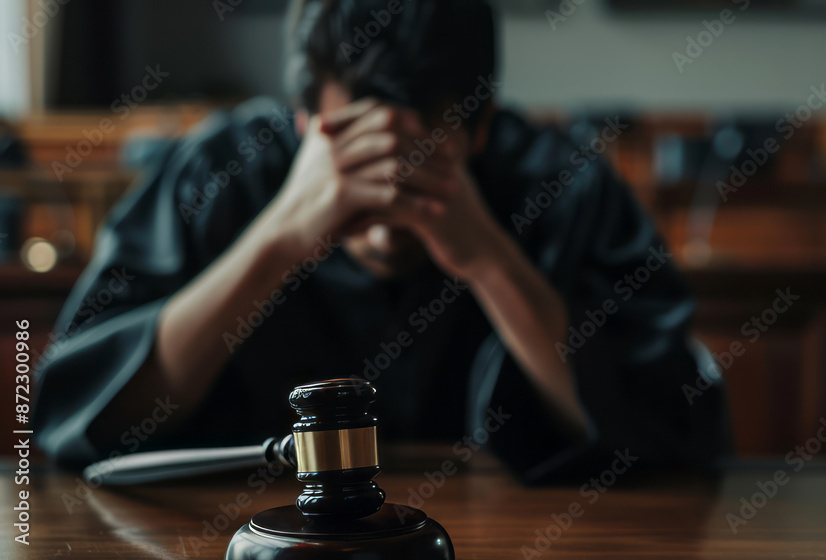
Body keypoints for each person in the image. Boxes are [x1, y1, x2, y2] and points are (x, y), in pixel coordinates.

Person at [34, 0, 729, 483]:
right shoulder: (215, 175)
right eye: (353, 151)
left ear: (481, 127)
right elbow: (73, 420)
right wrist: (278, 238)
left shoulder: (568, 188)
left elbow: (670, 432)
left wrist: (488, 258)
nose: (380, 211)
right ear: (306, 119)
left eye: (422, 160)